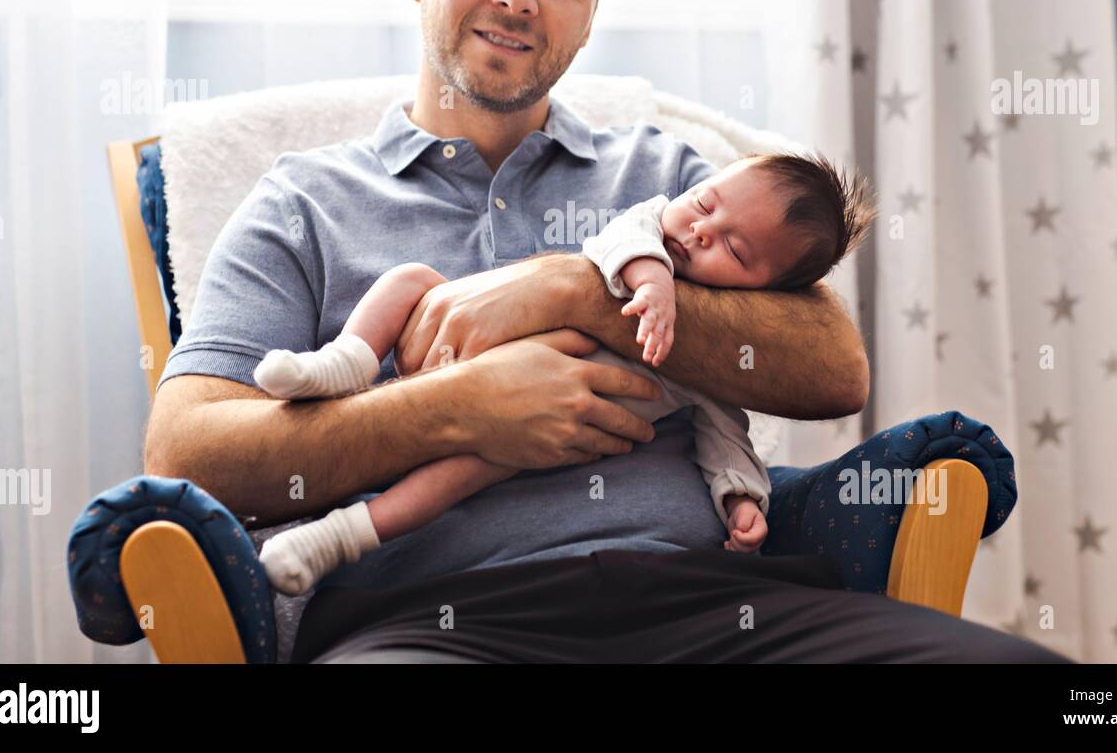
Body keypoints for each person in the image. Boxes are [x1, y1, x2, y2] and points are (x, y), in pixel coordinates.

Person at [145, 0, 1071, 664]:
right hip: (435, 629)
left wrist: (575, 292)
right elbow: (187, 454)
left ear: (589, 10)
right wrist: (458, 409)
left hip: (716, 610)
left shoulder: (674, 179)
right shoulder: (303, 204)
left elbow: (834, 368)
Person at [253, 151, 875, 595]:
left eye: (734, 252)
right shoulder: (654, 227)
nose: (698, 231)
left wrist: (740, 496)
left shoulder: (704, 358)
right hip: (444, 375)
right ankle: (344, 362)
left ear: (764, 292)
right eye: (705, 204)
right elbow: (622, 238)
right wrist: (652, 282)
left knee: (456, 477)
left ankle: (339, 538)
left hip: (630, 552)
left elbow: (728, 431)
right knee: (409, 281)